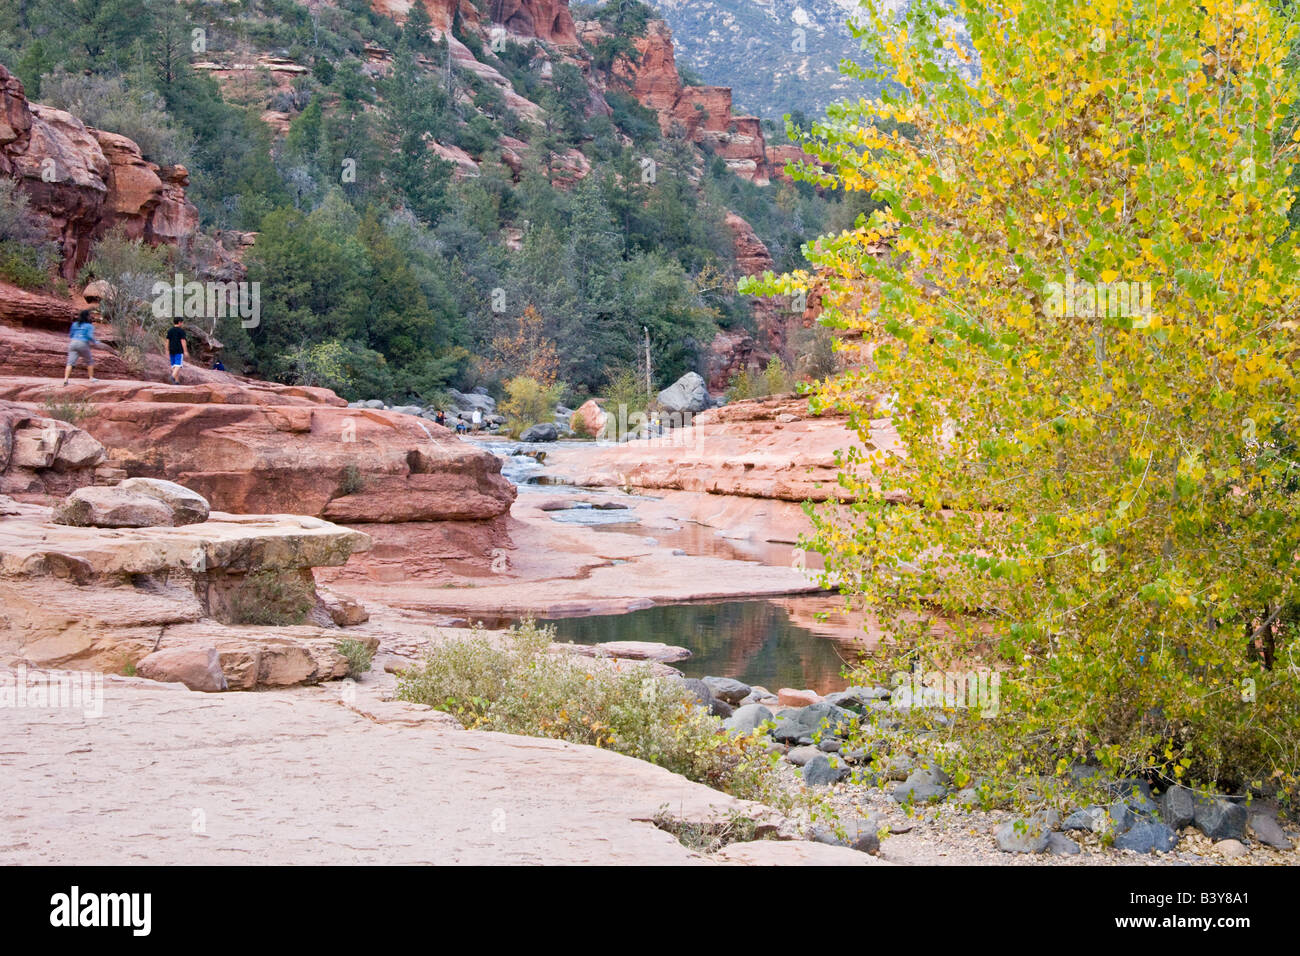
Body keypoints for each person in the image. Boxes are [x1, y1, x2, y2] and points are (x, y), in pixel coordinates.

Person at [62, 310, 103, 385]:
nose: (90, 317)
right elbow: (89, 336)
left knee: (70, 362)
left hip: (73, 343)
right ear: (87, 317)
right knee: (89, 361)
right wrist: (95, 342)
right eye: (89, 315)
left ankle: (65, 379)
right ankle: (91, 378)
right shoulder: (89, 326)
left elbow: (71, 335)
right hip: (83, 344)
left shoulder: (75, 324)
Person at [166, 317, 189, 383]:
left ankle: (176, 382)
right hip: (179, 350)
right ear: (179, 322)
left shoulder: (170, 330)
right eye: (182, 322)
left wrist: (167, 350)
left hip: (171, 350)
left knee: (174, 366)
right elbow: (183, 341)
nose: (182, 324)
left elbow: (167, 341)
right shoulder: (181, 331)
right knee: (178, 365)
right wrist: (185, 351)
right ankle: (172, 376)